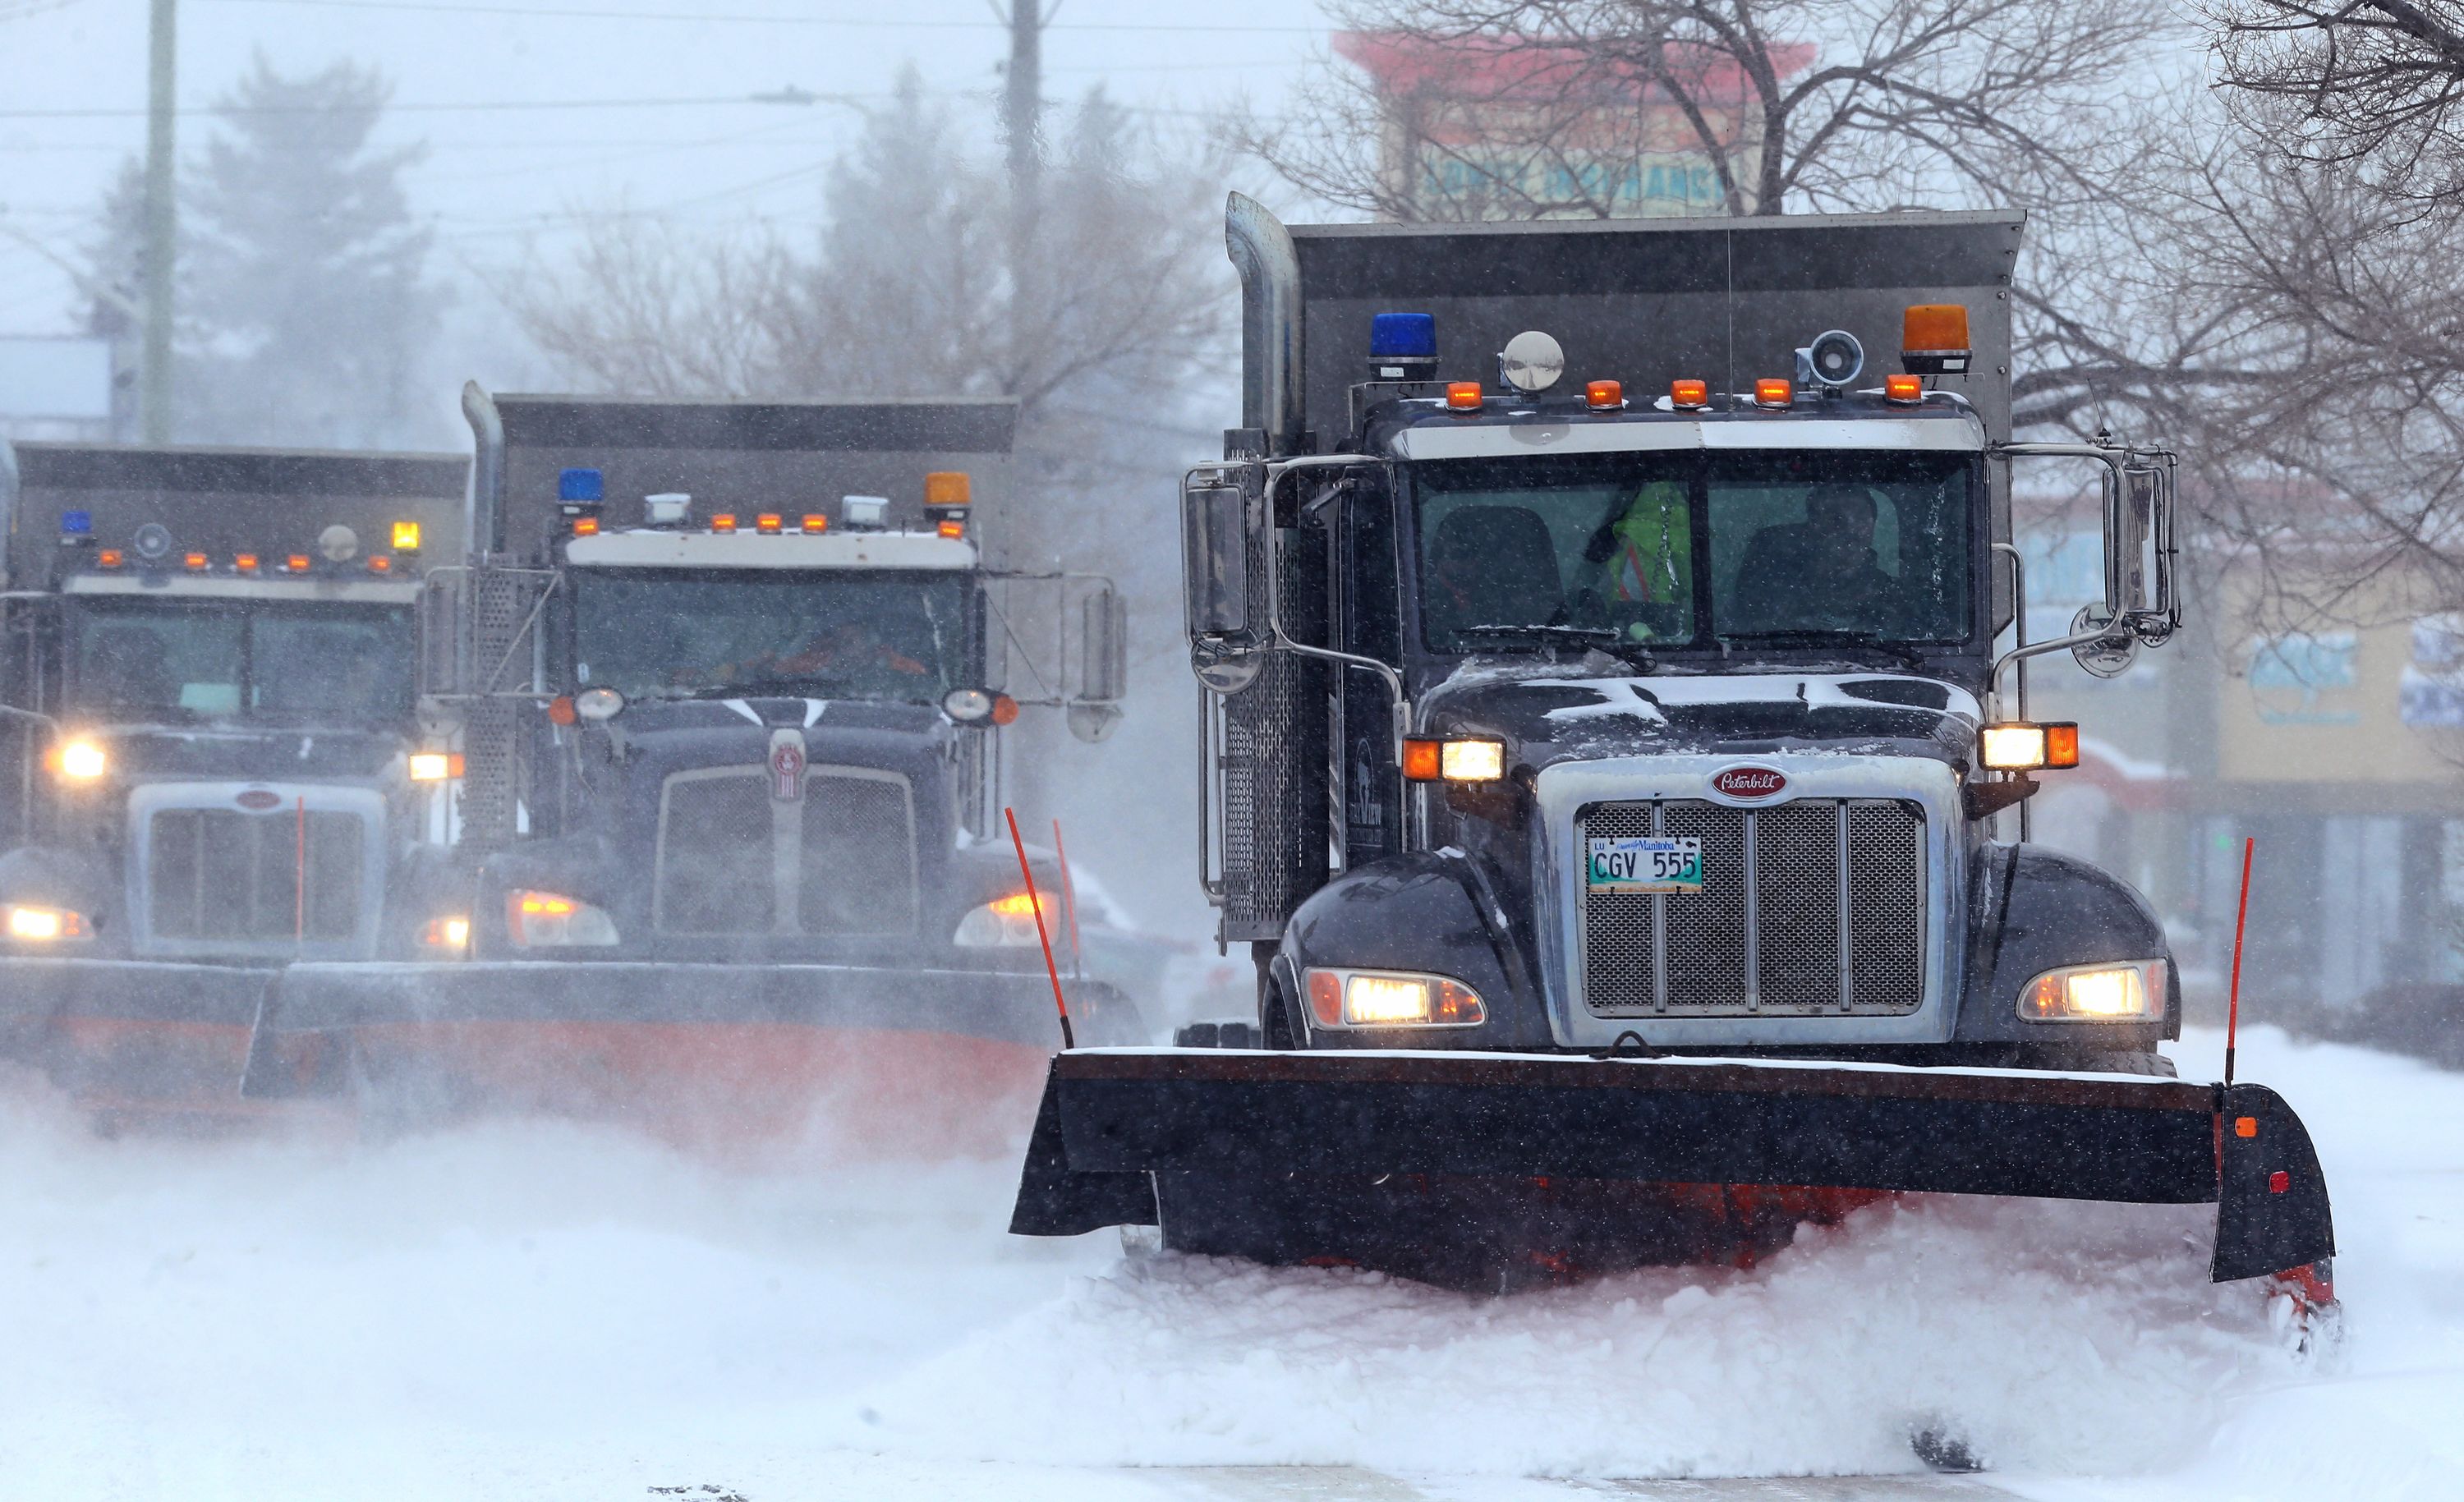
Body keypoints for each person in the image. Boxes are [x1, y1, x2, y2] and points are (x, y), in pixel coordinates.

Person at [1728, 484, 1899, 632]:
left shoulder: (1889, 593)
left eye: (1861, 518)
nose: (1850, 528)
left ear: (1872, 526)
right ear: (1813, 526)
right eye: (1836, 518)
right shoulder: (1773, 587)